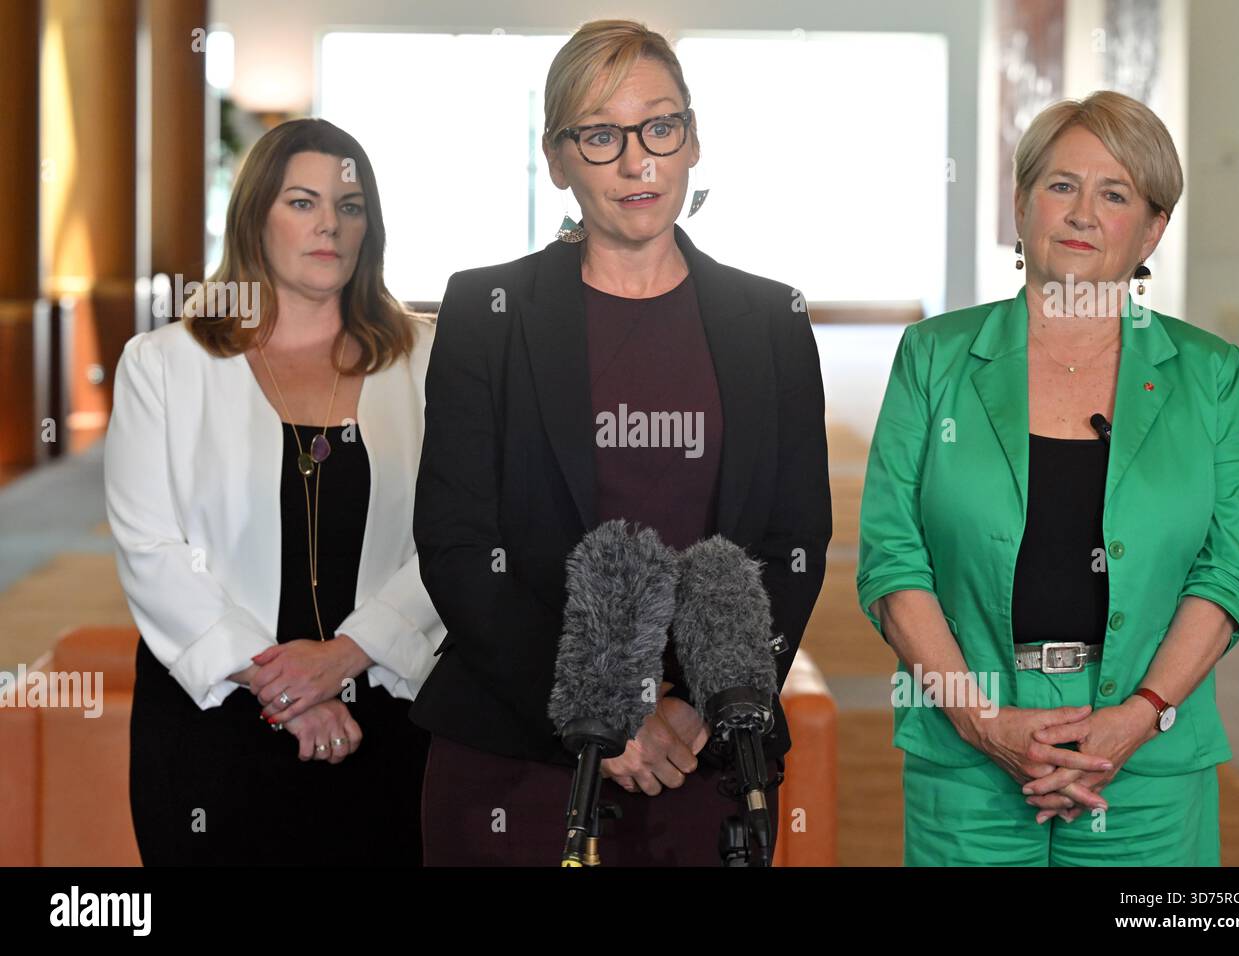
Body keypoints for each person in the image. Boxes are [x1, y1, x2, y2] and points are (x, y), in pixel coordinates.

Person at [411, 19, 832, 866]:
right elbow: (458, 548)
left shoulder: (770, 321)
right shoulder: (487, 313)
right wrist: (595, 713)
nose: (637, 161)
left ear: (693, 140)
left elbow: (795, 544)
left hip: (700, 756)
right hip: (520, 753)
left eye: (660, 127)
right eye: (601, 136)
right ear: (558, 157)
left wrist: (699, 709)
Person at [857, 90, 1239, 866]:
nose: (1082, 213)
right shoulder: (933, 358)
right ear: (1020, 205)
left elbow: (1229, 572)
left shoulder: (1212, 375)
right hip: (968, 755)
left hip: (1147, 758)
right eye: (1061, 185)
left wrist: (1135, 718)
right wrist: (984, 722)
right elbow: (892, 559)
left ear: (1151, 229)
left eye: (1115, 194)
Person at [105, 118, 445, 865]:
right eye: (301, 202)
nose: (329, 223)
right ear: (254, 215)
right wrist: (286, 687)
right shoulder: (163, 364)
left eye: (349, 207)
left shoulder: (425, 359)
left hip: (382, 710)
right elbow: (150, 549)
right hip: (215, 718)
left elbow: (454, 537)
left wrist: (347, 656)